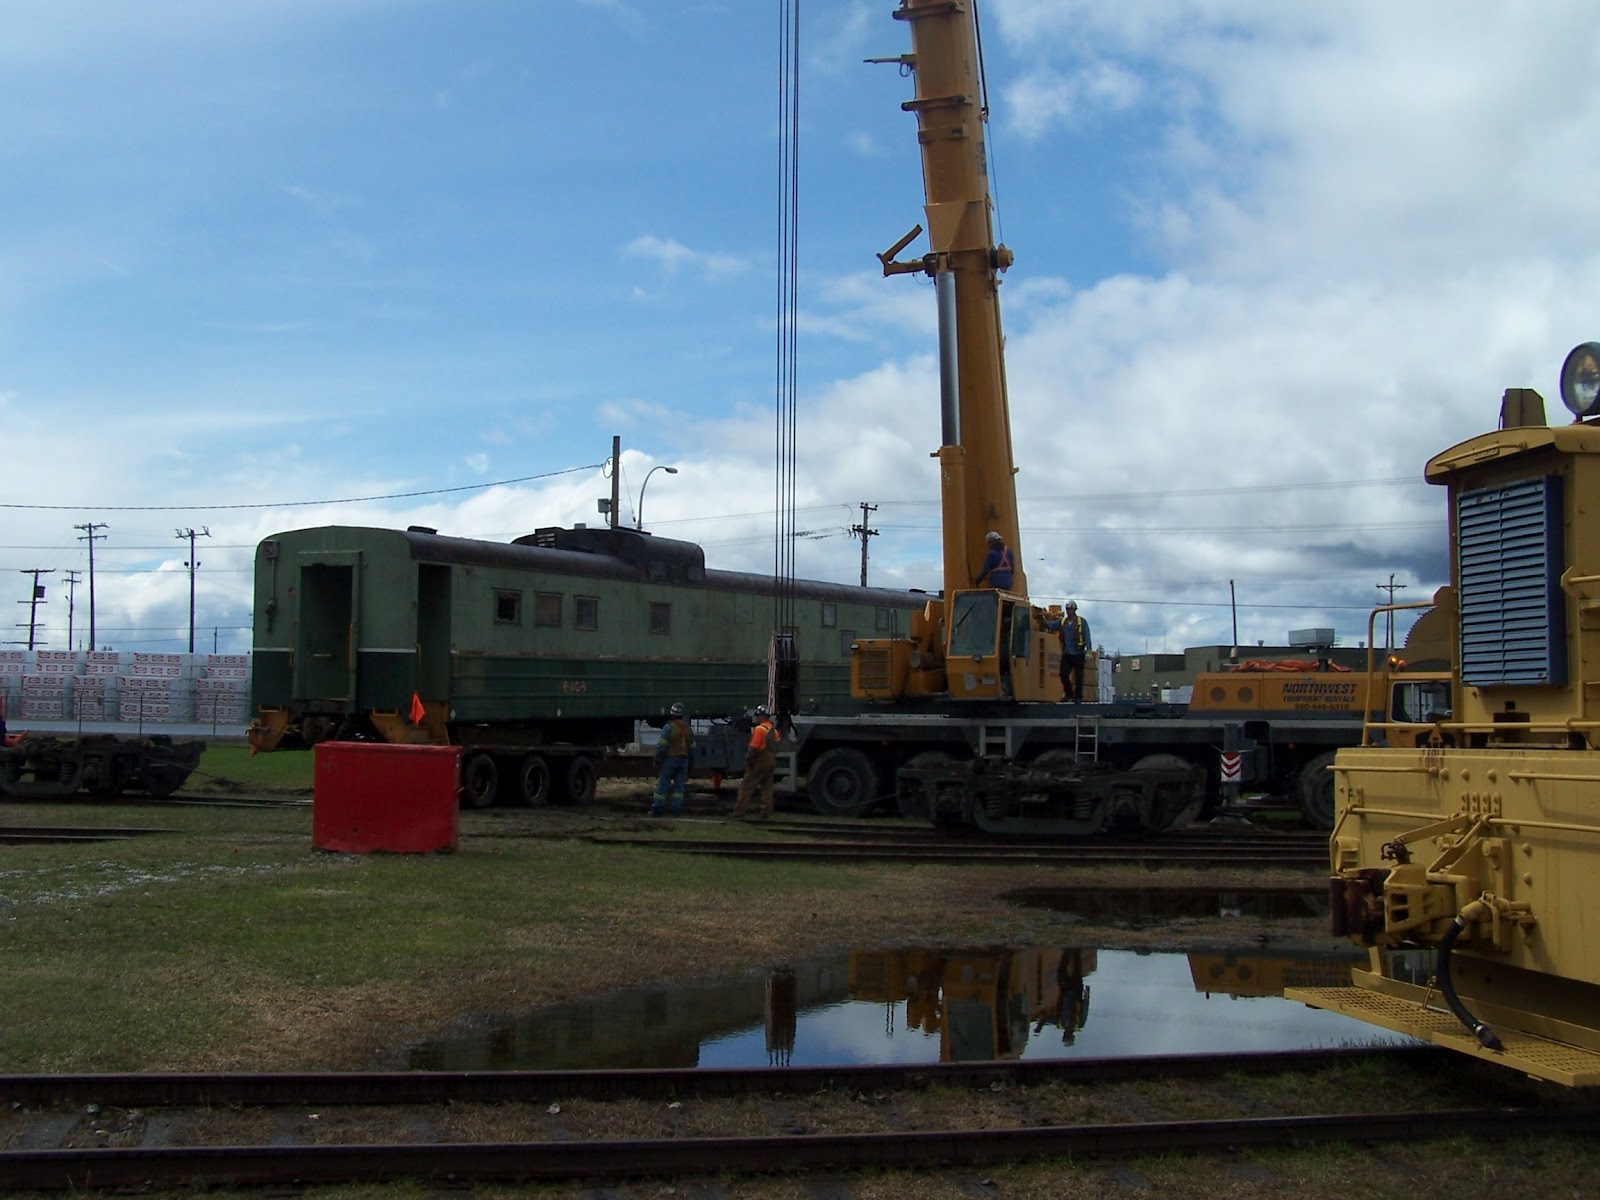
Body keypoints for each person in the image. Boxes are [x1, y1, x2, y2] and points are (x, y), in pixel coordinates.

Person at [731, 704, 781, 820]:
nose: (756, 718)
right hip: (771, 761)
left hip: (760, 761)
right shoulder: (773, 730)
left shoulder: (760, 729)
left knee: (746, 786)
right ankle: (766, 812)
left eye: (758, 716)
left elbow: (753, 748)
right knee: (767, 788)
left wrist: (748, 760)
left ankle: (739, 812)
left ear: (762, 717)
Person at [649, 702, 694, 816]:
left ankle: (657, 809)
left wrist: (657, 759)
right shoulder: (688, 729)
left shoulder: (668, 727)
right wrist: (691, 764)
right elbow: (692, 749)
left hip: (669, 759)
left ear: (671, 714)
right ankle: (676, 810)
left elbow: (662, 747)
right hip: (684, 760)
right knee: (679, 787)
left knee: (663, 784)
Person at [1057, 600, 1091, 702]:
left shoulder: (1081, 622)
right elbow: (1052, 625)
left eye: (1070, 609)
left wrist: (1088, 650)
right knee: (1063, 674)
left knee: (1079, 677)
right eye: (1067, 609)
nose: (1068, 611)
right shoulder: (1063, 622)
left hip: (1078, 654)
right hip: (1067, 654)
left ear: (1075, 610)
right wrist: (1043, 620)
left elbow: (1087, 635)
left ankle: (1078, 697)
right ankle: (1068, 694)